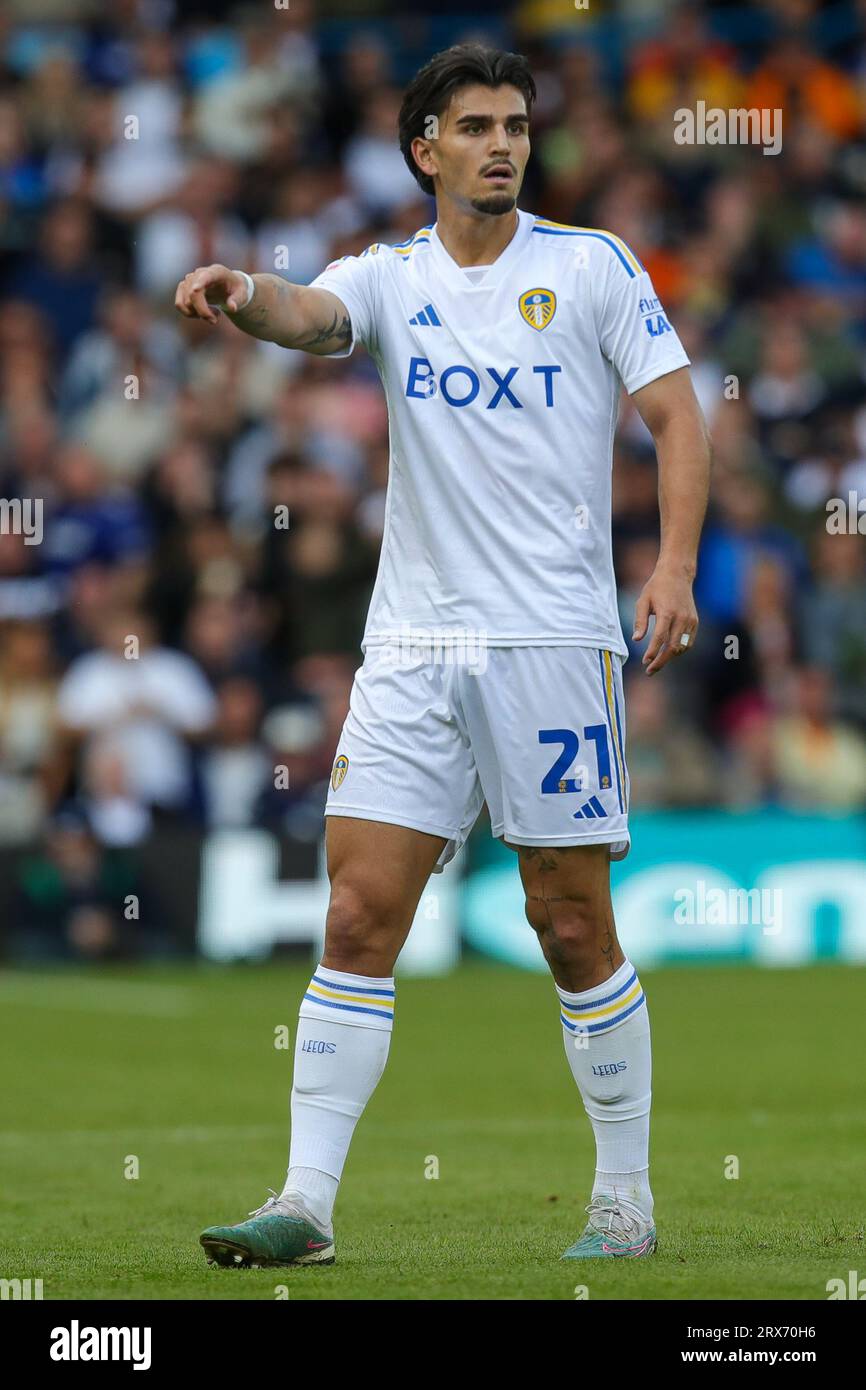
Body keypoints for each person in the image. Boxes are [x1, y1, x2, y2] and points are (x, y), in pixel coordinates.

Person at [175, 43, 711, 1268]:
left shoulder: (587, 267)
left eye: (515, 124)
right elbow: (311, 318)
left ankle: (622, 1200)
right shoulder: (388, 276)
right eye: (474, 126)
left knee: (568, 922)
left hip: (551, 641)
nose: (501, 145)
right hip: (413, 643)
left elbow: (676, 413)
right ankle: (304, 1204)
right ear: (425, 149)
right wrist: (242, 292)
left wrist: (672, 567)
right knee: (360, 911)